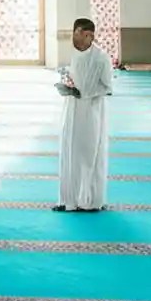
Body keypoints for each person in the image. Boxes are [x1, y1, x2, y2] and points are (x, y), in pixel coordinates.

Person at [55, 17, 114, 212]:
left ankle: (89, 201)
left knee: (88, 154)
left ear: (89, 35)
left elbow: (107, 88)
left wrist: (85, 93)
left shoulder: (101, 58)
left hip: (91, 113)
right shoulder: (75, 55)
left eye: (78, 34)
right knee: (70, 152)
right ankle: (69, 200)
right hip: (72, 110)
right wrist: (68, 85)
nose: (75, 38)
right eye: (74, 33)